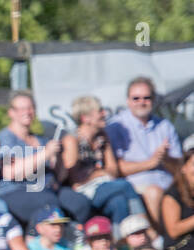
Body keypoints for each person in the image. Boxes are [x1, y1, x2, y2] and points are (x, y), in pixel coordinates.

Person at [106, 76, 184, 221]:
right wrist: (151, 162)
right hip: (136, 188)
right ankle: (157, 240)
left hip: (169, 184)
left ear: (153, 100)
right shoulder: (117, 126)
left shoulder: (164, 125)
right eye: (136, 98)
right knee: (154, 192)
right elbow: (115, 168)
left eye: (146, 98)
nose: (141, 102)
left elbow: (180, 167)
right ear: (128, 101)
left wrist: (166, 159)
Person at [60, 95, 142, 226]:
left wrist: (100, 172)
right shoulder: (73, 139)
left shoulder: (102, 137)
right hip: (83, 191)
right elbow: (75, 178)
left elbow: (113, 171)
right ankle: (144, 226)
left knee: (118, 202)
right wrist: (100, 173)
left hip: (103, 185)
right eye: (99, 111)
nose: (104, 114)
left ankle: (120, 241)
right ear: (85, 118)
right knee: (125, 185)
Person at [0, 91, 62, 226]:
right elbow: (12, 173)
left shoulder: (41, 140)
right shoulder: (4, 139)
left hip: (46, 189)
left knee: (76, 202)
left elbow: (60, 174)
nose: (27, 112)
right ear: (11, 112)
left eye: (30, 108)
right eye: (21, 108)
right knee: (49, 203)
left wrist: (58, 155)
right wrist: (46, 153)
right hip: (15, 192)